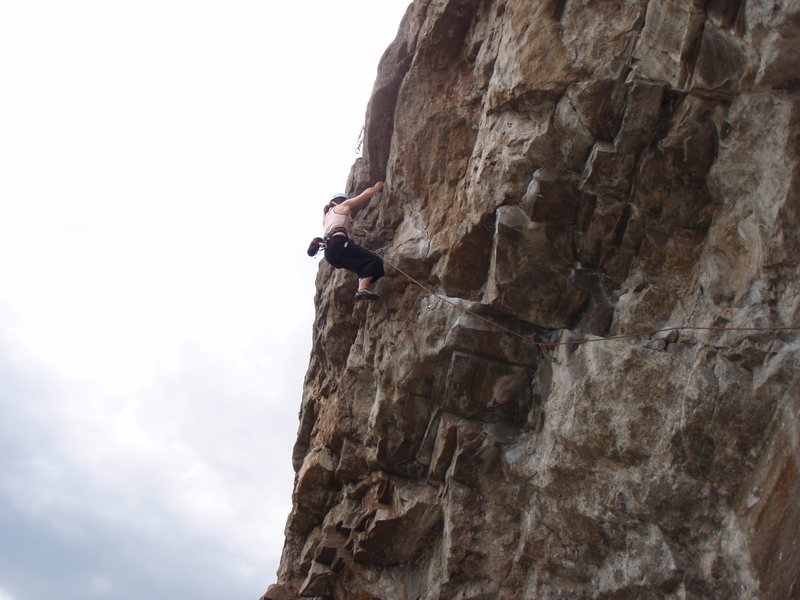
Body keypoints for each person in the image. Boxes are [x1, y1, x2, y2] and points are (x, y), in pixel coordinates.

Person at [321, 181, 386, 300]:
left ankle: (363, 289)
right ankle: (361, 290)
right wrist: (377, 187)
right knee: (373, 260)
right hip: (338, 243)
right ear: (340, 200)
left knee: (362, 266)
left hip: (330, 253)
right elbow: (365, 194)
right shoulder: (342, 206)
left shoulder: (326, 217)